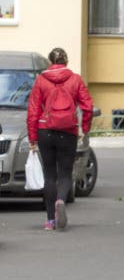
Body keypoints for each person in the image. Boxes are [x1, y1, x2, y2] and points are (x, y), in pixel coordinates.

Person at [26, 47, 93, 231]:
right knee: (65, 173)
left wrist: (32, 137)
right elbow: (88, 106)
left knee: (49, 175)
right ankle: (61, 201)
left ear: (50, 62)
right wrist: (84, 128)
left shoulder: (41, 80)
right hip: (68, 131)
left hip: (45, 130)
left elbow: (33, 111)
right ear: (66, 62)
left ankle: (50, 221)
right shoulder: (75, 79)